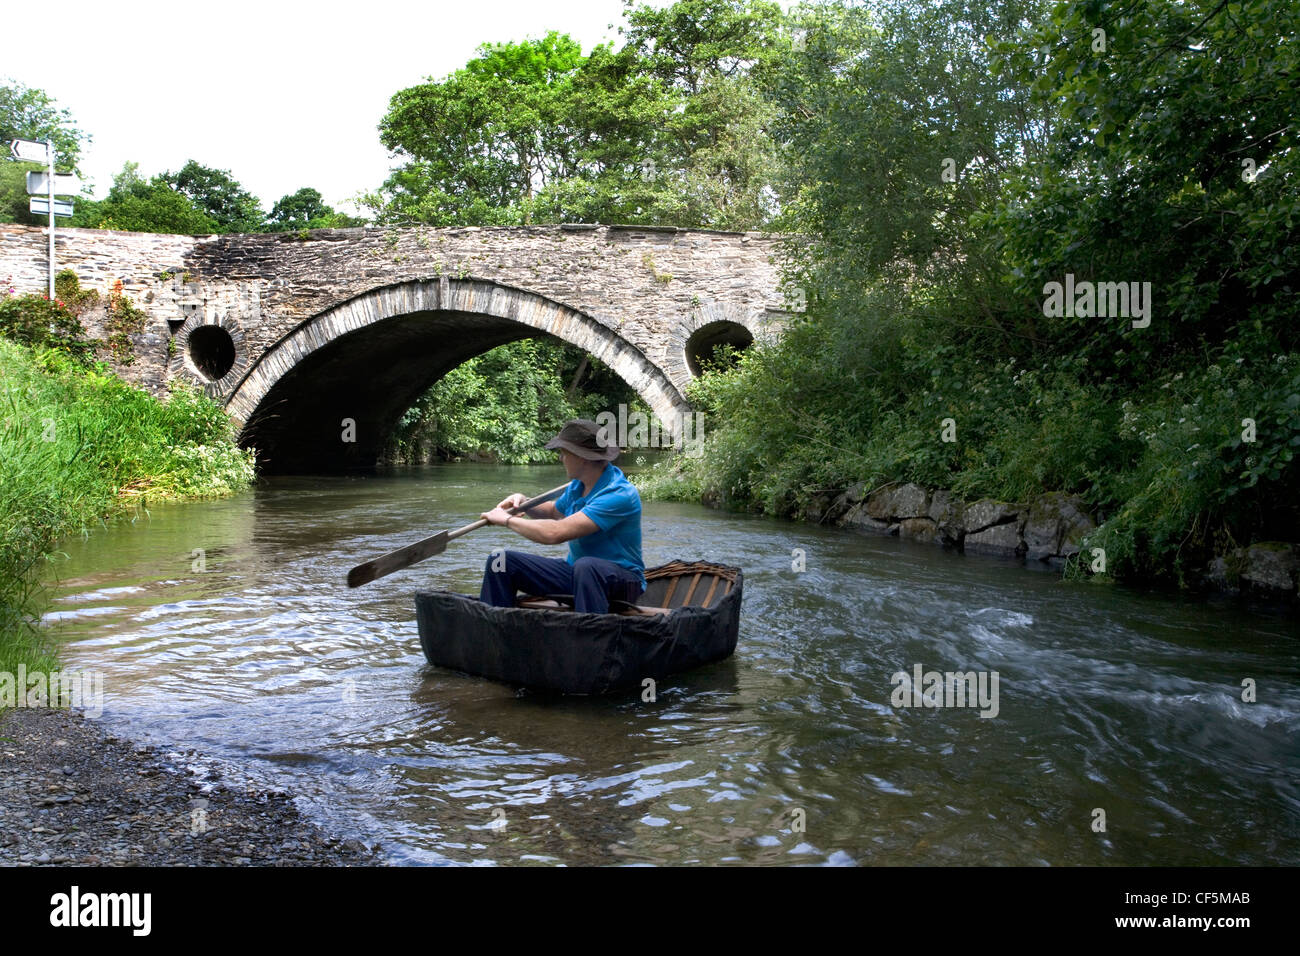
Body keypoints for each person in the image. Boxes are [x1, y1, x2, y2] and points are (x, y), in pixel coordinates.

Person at [478, 419, 645, 614]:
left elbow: (555, 533)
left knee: (587, 567)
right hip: (577, 574)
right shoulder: (578, 485)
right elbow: (552, 511)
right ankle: (493, 629)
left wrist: (506, 520)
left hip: (623, 583)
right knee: (500, 561)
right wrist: (523, 502)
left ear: (582, 457)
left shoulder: (618, 495)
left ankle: (590, 636)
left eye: (564, 453)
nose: (561, 459)